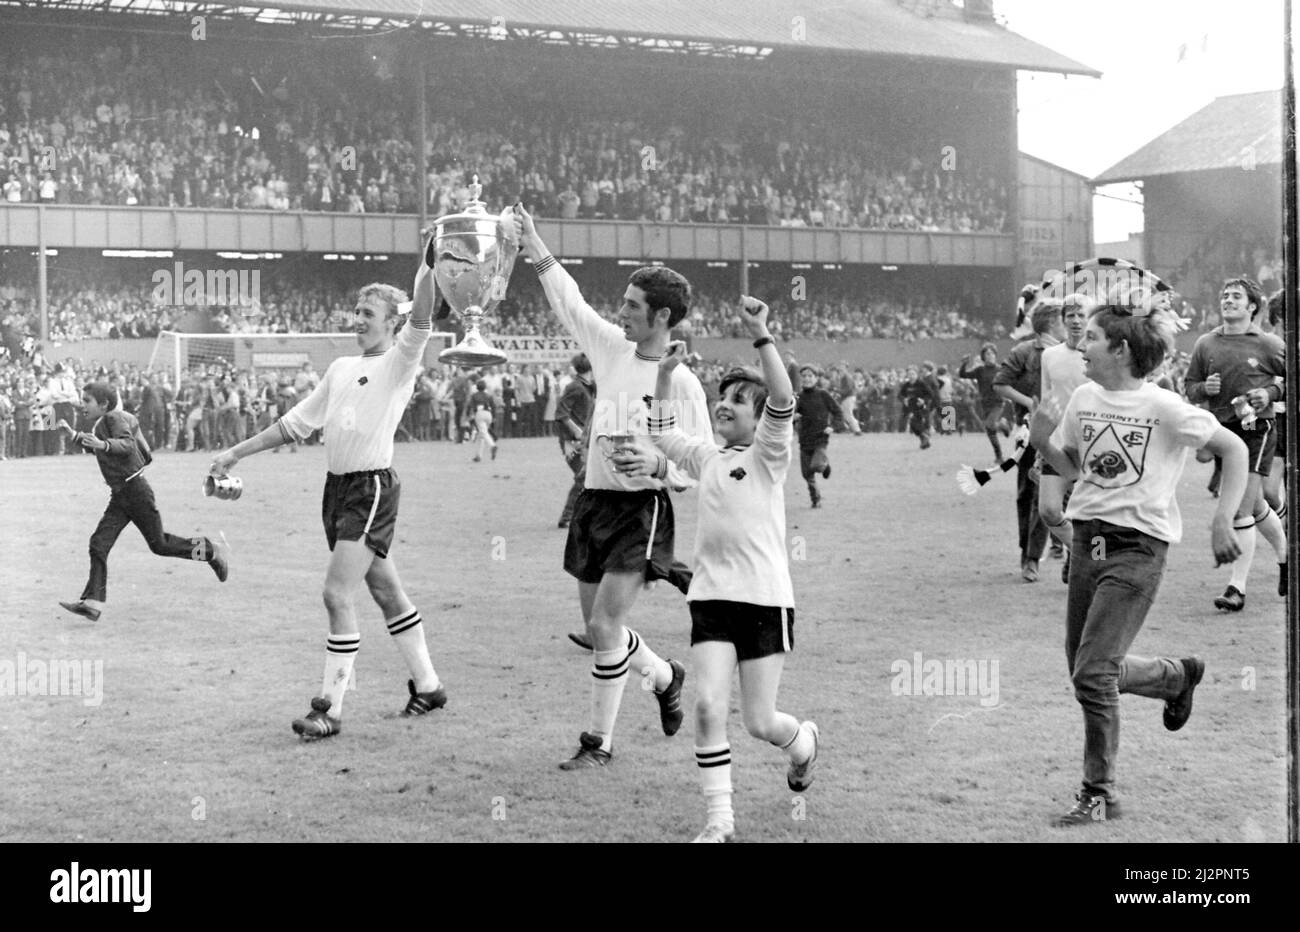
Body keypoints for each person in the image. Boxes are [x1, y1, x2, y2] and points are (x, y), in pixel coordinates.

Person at [208, 245, 449, 739]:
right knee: (385, 590)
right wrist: (235, 453)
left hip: (371, 489)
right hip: (337, 491)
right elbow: (294, 425)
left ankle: (329, 710)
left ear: (390, 323)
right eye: (357, 311)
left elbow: (421, 317)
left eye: (368, 314)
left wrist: (427, 266)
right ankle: (428, 686)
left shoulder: (399, 363)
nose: (358, 319)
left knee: (335, 593)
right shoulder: (341, 367)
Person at [1029, 291, 1247, 827]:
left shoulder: (1164, 407)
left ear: (1121, 349)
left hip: (1138, 548)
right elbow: (1076, 467)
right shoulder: (1083, 397)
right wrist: (1042, 444)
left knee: (1092, 672)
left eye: (1094, 338)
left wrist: (1223, 518)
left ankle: (1098, 793)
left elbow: (1235, 449)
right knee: (1086, 668)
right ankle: (1175, 678)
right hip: (1088, 543)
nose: (1082, 344)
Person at [516, 203, 711, 770]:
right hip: (593, 502)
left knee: (604, 626)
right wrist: (535, 244)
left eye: (632, 306)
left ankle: (597, 744)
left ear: (662, 316)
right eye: (623, 302)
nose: (620, 312)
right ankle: (666, 674)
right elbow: (568, 300)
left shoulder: (685, 385)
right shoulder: (608, 348)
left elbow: (700, 466)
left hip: (640, 511)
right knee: (598, 628)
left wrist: (657, 466)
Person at [641, 298, 818, 843]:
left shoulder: (768, 455)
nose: (726, 405)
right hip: (711, 600)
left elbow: (784, 397)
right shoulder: (706, 458)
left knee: (760, 723)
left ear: (760, 417)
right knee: (707, 705)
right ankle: (720, 823)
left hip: (764, 600)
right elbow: (663, 432)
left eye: (741, 400)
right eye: (723, 397)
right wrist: (667, 373)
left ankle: (804, 743)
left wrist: (761, 332)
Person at [59, 382, 228, 623]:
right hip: (121, 495)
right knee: (99, 543)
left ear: (104, 404)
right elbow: (103, 449)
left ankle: (210, 550)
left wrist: (103, 444)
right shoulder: (104, 422)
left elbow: (126, 445)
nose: (82, 404)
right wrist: (75, 436)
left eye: (87, 401)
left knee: (159, 545)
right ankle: (92, 604)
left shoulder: (113, 418)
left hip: (135, 491)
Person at [1183, 277, 1287, 610]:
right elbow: (1190, 386)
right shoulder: (1205, 344)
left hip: (1259, 429)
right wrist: (1205, 389)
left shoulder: (1268, 344)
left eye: (1236, 296)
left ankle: (1236, 589)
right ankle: (1286, 556)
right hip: (1224, 433)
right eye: (1225, 295)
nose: (1228, 300)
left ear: (1252, 306)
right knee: (1256, 506)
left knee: (1243, 506)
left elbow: (1291, 380)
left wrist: (1269, 393)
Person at [995, 299, 1065, 582]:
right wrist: (1030, 404)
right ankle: (1029, 556)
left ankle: (1045, 557)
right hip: (1030, 432)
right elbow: (1000, 383)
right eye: (1063, 319)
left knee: (1056, 497)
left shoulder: (1072, 354)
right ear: (1052, 323)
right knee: (1028, 495)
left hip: (1066, 433)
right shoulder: (1024, 352)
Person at [1038, 294, 1091, 578]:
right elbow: (1047, 399)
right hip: (1058, 444)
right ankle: (1079, 551)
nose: (1075, 320)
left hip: (1092, 445)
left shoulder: (1098, 355)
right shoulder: (1049, 356)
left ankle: (1093, 562)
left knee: (1092, 517)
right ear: (1062, 320)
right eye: (1070, 315)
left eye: (1081, 314)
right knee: (1048, 510)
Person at [793, 363, 844, 508]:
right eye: (804, 376)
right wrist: (793, 417)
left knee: (816, 465)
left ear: (816, 378)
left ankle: (824, 466)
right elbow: (788, 418)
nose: (807, 379)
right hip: (804, 439)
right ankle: (816, 499)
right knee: (806, 474)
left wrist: (832, 426)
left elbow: (838, 412)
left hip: (821, 438)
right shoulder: (798, 397)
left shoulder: (823, 395)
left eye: (810, 376)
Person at [555, 352, 595, 529]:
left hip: (584, 441)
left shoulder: (589, 386)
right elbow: (561, 414)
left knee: (588, 479)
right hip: (572, 441)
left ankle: (579, 516)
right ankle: (567, 516)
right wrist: (578, 433)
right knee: (584, 477)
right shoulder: (575, 387)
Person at [958, 343, 1007, 461]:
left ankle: (1002, 424)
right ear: (983, 357)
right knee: (990, 431)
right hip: (985, 403)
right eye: (987, 354)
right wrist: (964, 363)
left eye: (991, 353)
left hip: (998, 402)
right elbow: (963, 375)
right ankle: (999, 456)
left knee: (990, 424)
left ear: (995, 355)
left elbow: (1011, 382)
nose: (990, 356)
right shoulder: (980, 370)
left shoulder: (1001, 369)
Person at [468, 378, 498, 462]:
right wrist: (494, 417)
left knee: (483, 433)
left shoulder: (474, 395)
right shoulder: (489, 395)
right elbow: (493, 406)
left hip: (480, 414)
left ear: (477, 387)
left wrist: (469, 415)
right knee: (481, 435)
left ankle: (492, 446)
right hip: (489, 414)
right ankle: (478, 456)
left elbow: (472, 406)